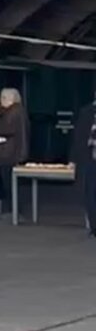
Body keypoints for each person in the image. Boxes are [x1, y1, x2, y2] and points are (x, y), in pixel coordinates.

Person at [0, 87, 29, 221]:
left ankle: (15, 211)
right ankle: (12, 210)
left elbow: (5, 129)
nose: (1, 100)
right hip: (8, 153)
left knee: (11, 184)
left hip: (10, 153)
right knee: (8, 183)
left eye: (3, 97)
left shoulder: (15, 112)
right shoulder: (13, 111)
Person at [73, 96, 96, 237]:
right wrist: (74, 158)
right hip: (90, 160)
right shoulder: (86, 112)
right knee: (90, 195)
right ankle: (94, 226)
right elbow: (79, 137)